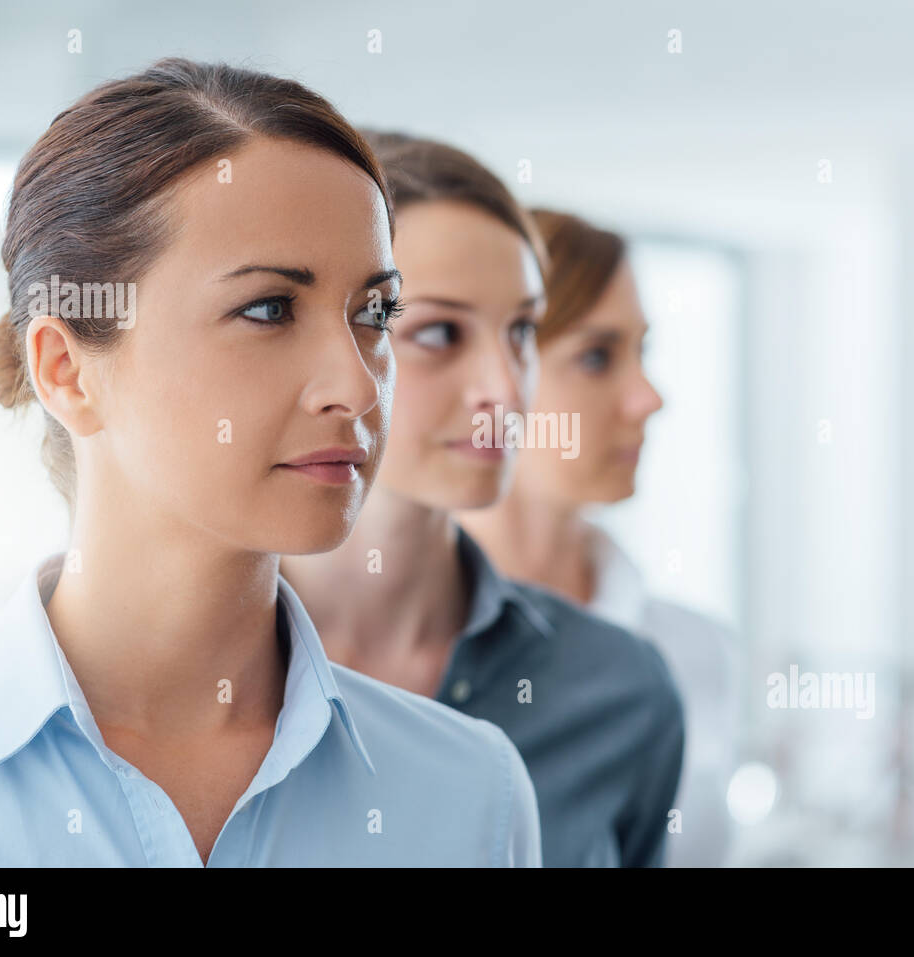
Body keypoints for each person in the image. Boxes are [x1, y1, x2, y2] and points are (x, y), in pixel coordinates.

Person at [0, 59, 540, 867]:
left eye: (374, 313)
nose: (355, 383)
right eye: (268, 309)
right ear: (65, 369)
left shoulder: (470, 792)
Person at [279, 133, 686, 867]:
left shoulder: (621, 689)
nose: (505, 386)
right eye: (439, 331)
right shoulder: (199, 675)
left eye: (523, 331)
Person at [457, 209, 745, 867]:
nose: (647, 397)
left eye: (641, 352)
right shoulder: (370, 644)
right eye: (596, 356)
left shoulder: (694, 651)